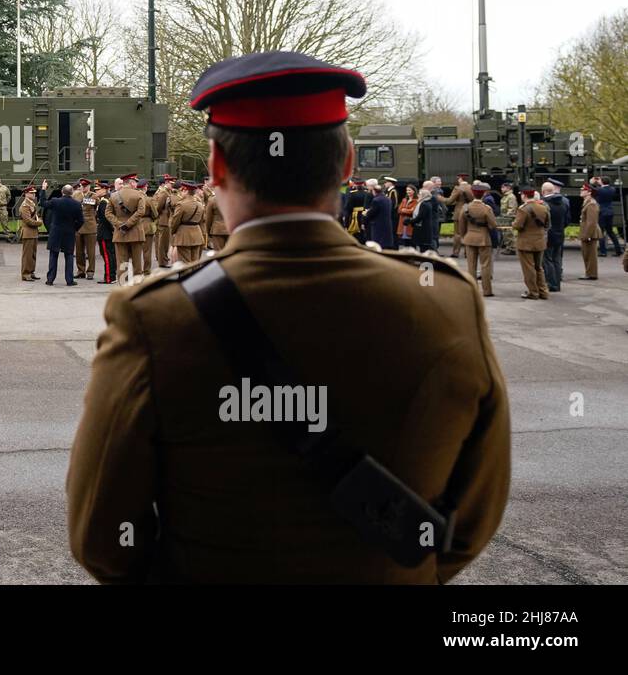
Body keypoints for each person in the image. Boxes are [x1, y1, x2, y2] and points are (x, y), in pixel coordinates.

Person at [67, 50, 510, 584]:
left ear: (217, 167)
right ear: (347, 162)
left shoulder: (153, 318)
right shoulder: (447, 303)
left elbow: (101, 535)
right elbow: (469, 523)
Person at [105, 174, 146, 283]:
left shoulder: (114, 196)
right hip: (136, 232)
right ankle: (137, 286)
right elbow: (141, 212)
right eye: (135, 182)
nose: (136, 184)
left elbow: (108, 213)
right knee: (137, 263)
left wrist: (119, 224)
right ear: (132, 182)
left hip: (120, 233)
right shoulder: (139, 194)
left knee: (122, 262)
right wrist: (129, 223)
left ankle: (123, 285)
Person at [513, 188, 551, 300]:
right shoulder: (543, 208)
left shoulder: (523, 209)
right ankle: (543, 291)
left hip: (526, 242)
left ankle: (533, 292)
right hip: (539, 241)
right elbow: (547, 224)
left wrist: (513, 223)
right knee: (539, 268)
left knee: (528, 268)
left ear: (524, 196)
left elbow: (518, 225)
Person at [460, 183, 497, 297]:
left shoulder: (465, 208)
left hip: (470, 238)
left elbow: (461, 225)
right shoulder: (486, 209)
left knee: (471, 265)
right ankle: (487, 290)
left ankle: (472, 290)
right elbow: (493, 225)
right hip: (484, 239)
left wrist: (464, 236)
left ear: (472, 193)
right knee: (485, 265)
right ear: (483, 194)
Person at [44, 185, 84, 286]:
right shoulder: (77, 204)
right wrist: (74, 228)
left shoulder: (55, 201)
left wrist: (43, 190)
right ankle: (69, 280)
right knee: (69, 255)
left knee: (53, 255)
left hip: (56, 232)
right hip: (69, 232)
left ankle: (50, 279)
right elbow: (81, 221)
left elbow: (42, 203)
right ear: (72, 193)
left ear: (62, 192)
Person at [167, 180, 206, 264]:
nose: (181, 193)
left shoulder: (181, 204)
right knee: (195, 262)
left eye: (182, 191)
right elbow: (202, 220)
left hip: (184, 236)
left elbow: (175, 221)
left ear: (186, 191)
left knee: (185, 263)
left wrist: (173, 232)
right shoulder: (200, 205)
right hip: (197, 235)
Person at [541, 181, 569, 292]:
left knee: (547, 260)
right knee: (557, 259)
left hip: (548, 235)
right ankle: (557, 283)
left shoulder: (544, 204)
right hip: (560, 234)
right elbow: (567, 220)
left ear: (543, 192)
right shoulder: (564, 202)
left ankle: (551, 283)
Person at [72, 179, 98, 280]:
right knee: (79, 252)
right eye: (82, 186)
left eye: (85, 186)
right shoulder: (76, 195)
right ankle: (80, 270)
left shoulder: (93, 195)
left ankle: (90, 271)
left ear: (89, 186)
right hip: (79, 227)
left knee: (90, 252)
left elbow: (95, 203)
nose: (83, 188)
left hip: (90, 226)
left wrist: (81, 200)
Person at [592, 177, 623, 257]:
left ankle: (603, 252)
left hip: (602, 212)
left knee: (601, 232)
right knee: (610, 232)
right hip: (610, 211)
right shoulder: (612, 189)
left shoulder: (600, 190)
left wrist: (593, 182)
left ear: (602, 182)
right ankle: (618, 250)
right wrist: (600, 182)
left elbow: (592, 189)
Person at [18, 184, 43, 281]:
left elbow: (35, 216)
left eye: (34, 193)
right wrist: (39, 223)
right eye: (31, 193)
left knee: (33, 254)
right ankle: (25, 273)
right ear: (26, 193)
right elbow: (28, 220)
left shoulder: (31, 203)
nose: (33, 195)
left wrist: (38, 221)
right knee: (27, 255)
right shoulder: (25, 205)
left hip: (33, 232)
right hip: (28, 232)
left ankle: (31, 271)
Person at [444, 175, 472, 258]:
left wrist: (439, 197)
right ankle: (467, 253)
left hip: (459, 212)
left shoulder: (457, 188)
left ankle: (456, 252)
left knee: (457, 234)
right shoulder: (471, 187)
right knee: (467, 232)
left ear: (460, 179)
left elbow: (449, 201)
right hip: (469, 211)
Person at [361, 180, 394, 250]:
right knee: (385, 246)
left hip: (378, 226)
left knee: (378, 245)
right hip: (387, 225)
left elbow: (371, 213)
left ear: (374, 191)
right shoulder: (388, 199)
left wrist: (365, 218)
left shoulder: (376, 200)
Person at [578, 184, 601, 280]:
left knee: (590, 255)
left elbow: (591, 222)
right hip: (588, 232)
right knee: (587, 254)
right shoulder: (588, 202)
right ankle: (589, 273)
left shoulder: (591, 204)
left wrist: (587, 235)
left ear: (589, 192)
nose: (581, 191)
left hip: (590, 233)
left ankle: (591, 274)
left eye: (583, 190)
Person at [95, 183, 117, 285]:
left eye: (98, 189)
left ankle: (109, 277)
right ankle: (112, 275)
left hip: (104, 233)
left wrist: (111, 230)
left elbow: (105, 218)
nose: (96, 192)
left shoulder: (104, 202)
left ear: (104, 190)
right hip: (108, 232)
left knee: (107, 256)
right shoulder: (108, 200)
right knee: (111, 255)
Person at [153, 175, 175, 269]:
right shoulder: (164, 193)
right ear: (167, 183)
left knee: (164, 242)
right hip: (163, 220)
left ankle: (163, 260)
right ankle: (162, 262)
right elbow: (158, 207)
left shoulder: (167, 192)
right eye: (171, 184)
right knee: (163, 243)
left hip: (165, 220)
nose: (172, 186)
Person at [409, 187, 435, 252]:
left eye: (420, 194)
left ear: (424, 195)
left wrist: (409, 221)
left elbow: (420, 217)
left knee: (424, 248)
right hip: (424, 228)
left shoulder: (424, 204)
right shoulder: (425, 203)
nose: (418, 195)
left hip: (424, 229)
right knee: (423, 247)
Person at [395, 183, 417, 248]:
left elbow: (412, 211)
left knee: (412, 243)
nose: (408, 192)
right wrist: (407, 210)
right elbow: (399, 210)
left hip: (410, 224)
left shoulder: (416, 200)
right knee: (405, 243)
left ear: (414, 191)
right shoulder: (404, 200)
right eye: (407, 190)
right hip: (403, 224)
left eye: (409, 190)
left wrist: (404, 210)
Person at [498, 182, 518, 254]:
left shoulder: (511, 197)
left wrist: (507, 216)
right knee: (506, 233)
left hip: (509, 218)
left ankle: (512, 248)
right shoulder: (506, 196)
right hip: (505, 217)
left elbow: (512, 208)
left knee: (509, 233)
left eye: (503, 187)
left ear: (508, 188)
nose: (501, 189)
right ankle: (508, 247)